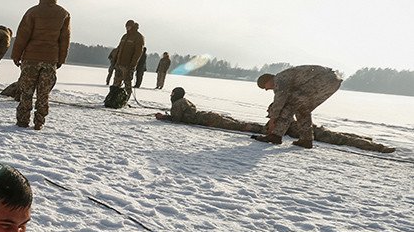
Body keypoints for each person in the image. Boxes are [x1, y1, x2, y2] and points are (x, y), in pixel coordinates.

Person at [157, 87, 395, 153]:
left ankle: (374, 146)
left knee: (338, 139)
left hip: (305, 131)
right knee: (339, 137)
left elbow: (178, 120)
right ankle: (368, 141)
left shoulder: (285, 121)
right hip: (305, 129)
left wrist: (163, 118)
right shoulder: (186, 102)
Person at [11, 0, 71, 130]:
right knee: (44, 93)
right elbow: (65, 39)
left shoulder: (33, 12)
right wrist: (61, 59)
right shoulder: (63, 14)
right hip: (50, 59)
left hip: (30, 58)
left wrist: (16, 55)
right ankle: (39, 122)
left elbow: (23, 35)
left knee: (27, 91)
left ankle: (23, 121)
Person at [252, 65, 342, 149]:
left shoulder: (279, 79)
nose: (266, 89)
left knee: (290, 105)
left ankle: (275, 136)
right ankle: (306, 140)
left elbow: (280, 101)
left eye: (265, 87)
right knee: (302, 109)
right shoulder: (283, 79)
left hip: (322, 79)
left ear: (268, 80)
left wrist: (273, 119)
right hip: (334, 81)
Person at [155, 87, 262, 132]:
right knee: (237, 123)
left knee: (238, 126)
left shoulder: (178, 103)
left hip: (207, 119)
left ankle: (261, 130)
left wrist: (163, 117)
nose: (171, 95)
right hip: (207, 116)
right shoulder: (184, 100)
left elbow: (176, 119)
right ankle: (262, 127)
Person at [111, 20, 145, 96]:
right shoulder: (125, 36)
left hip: (128, 65)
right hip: (119, 63)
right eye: (126, 26)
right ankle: (113, 97)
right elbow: (119, 48)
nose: (127, 28)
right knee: (116, 83)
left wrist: (132, 64)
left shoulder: (138, 37)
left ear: (132, 27)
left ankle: (126, 99)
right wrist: (115, 60)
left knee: (127, 84)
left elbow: (138, 53)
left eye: (129, 26)